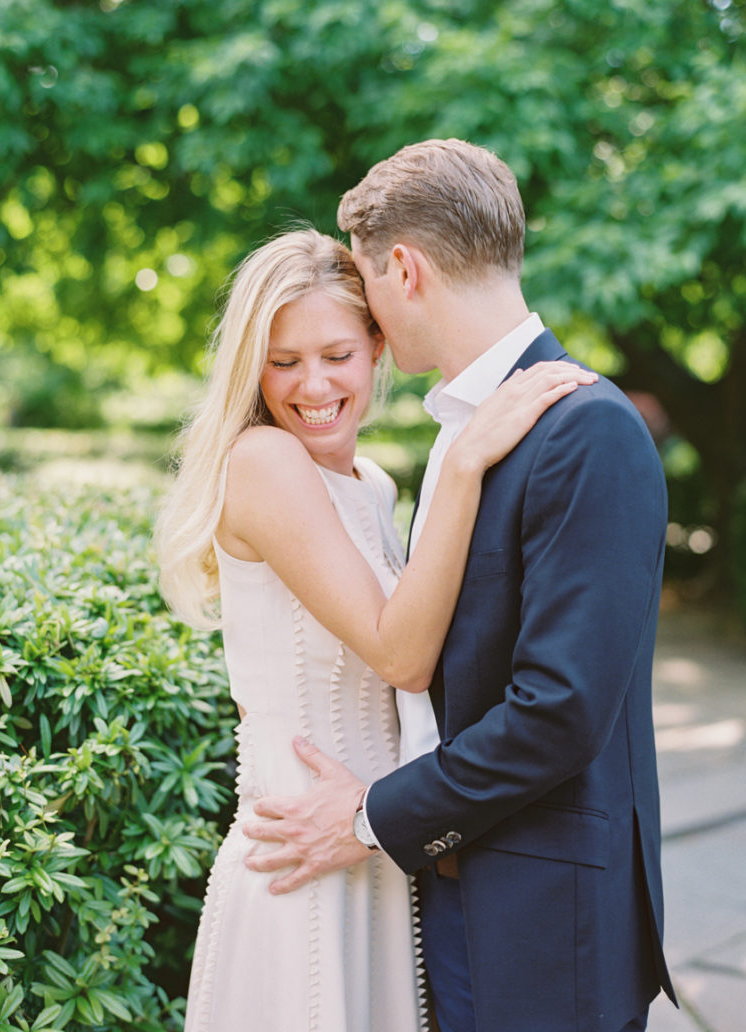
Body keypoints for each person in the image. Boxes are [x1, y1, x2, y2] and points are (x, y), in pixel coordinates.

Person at [242, 141, 678, 1032]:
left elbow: (557, 711)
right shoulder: (460, 431)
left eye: (365, 289)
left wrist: (370, 819)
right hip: (443, 894)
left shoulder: (584, 430)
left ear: (403, 268)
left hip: (543, 925)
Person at [155, 227, 594, 1032]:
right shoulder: (263, 461)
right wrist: (464, 462)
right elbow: (402, 655)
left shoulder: (371, 482)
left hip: (376, 841)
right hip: (303, 854)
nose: (312, 384)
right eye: (282, 361)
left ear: (377, 348)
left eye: (336, 354)